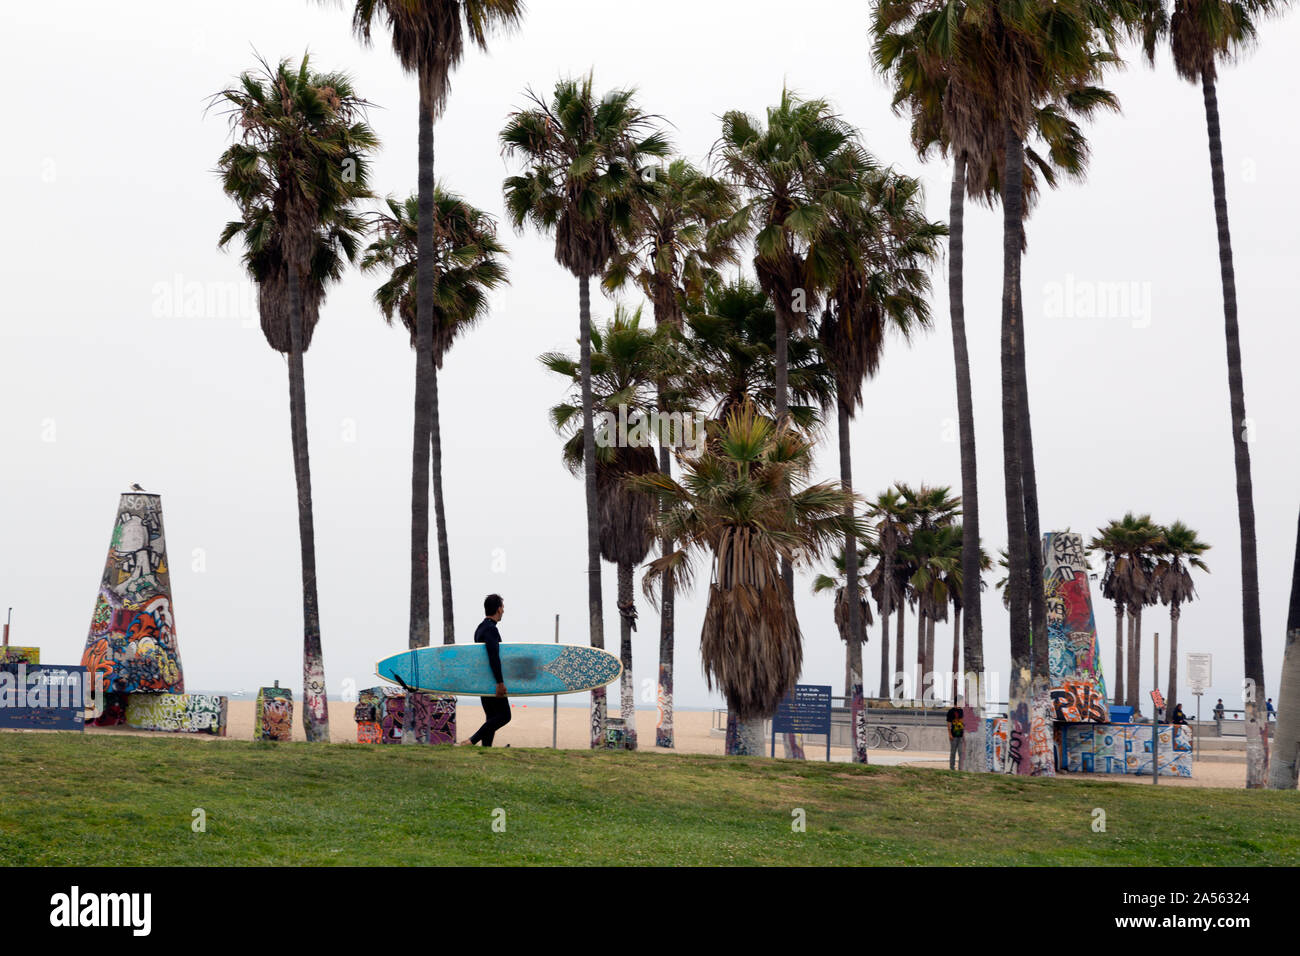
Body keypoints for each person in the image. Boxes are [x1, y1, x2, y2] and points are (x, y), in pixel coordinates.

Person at [461, 594, 511, 747]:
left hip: (483, 681)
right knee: (504, 716)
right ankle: (471, 741)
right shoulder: (491, 630)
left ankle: (486, 750)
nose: (503, 611)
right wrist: (500, 682)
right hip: (491, 681)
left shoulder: (480, 628)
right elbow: (493, 656)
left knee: (491, 718)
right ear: (498, 609)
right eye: (502, 607)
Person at [945, 700, 964, 770]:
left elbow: (963, 722)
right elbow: (948, 723)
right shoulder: (951, 711)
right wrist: (950, 734)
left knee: (961, 753)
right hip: (953, 735)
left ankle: (960, 768)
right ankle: (952, 767)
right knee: (953, 752)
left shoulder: (962, 711)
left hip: (961, 736)